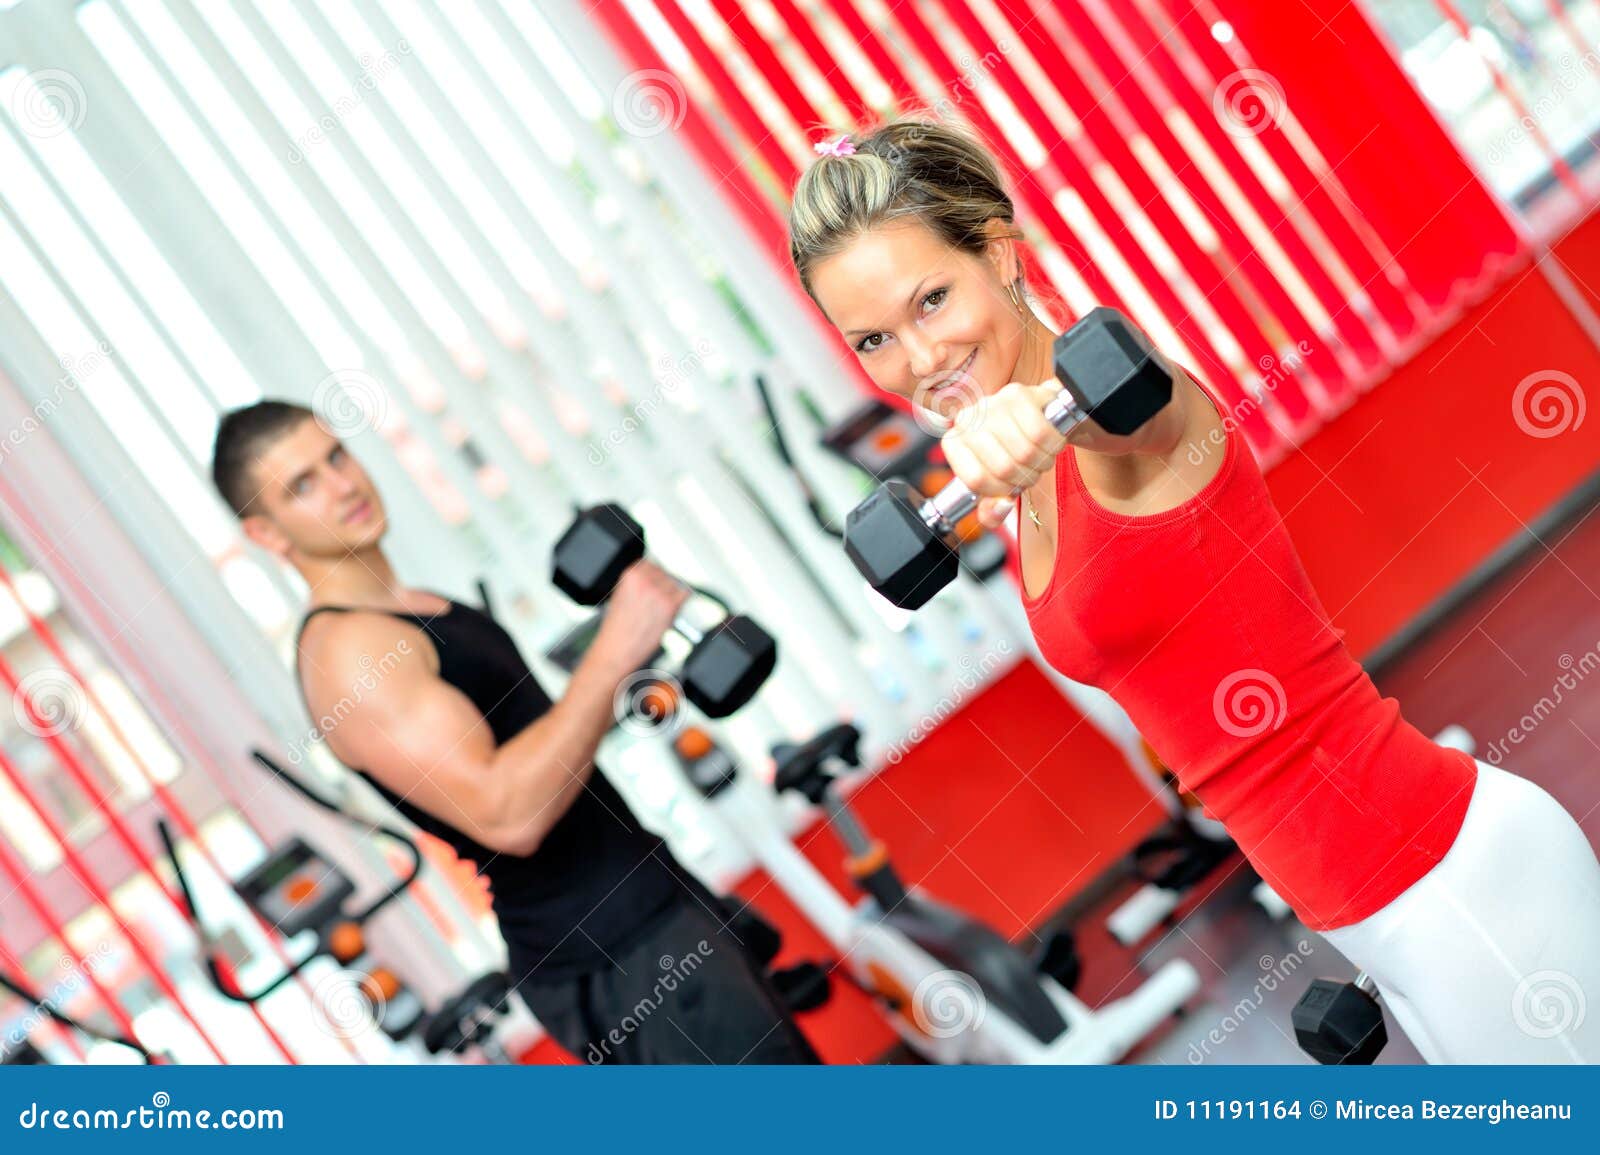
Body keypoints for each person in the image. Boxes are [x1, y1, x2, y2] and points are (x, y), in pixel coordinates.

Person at [787, 119, 1600, 1063]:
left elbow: (1155, 412)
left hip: (1454, 878)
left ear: (1002, 256)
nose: (919, 359)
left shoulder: (1138, 423)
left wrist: (1036, 423)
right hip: (1372, 915)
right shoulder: (1026, 483)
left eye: (932, 299)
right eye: (875, 339)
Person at [210, 401, 819, 1065]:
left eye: (336, 456)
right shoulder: (350, 653)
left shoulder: (413, 605)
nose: (343, 485)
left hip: (647, 898)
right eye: (303, 485)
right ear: (268, 533)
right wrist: (613, 653)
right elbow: (506, 815)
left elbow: (540, 744)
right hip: (608, 951)